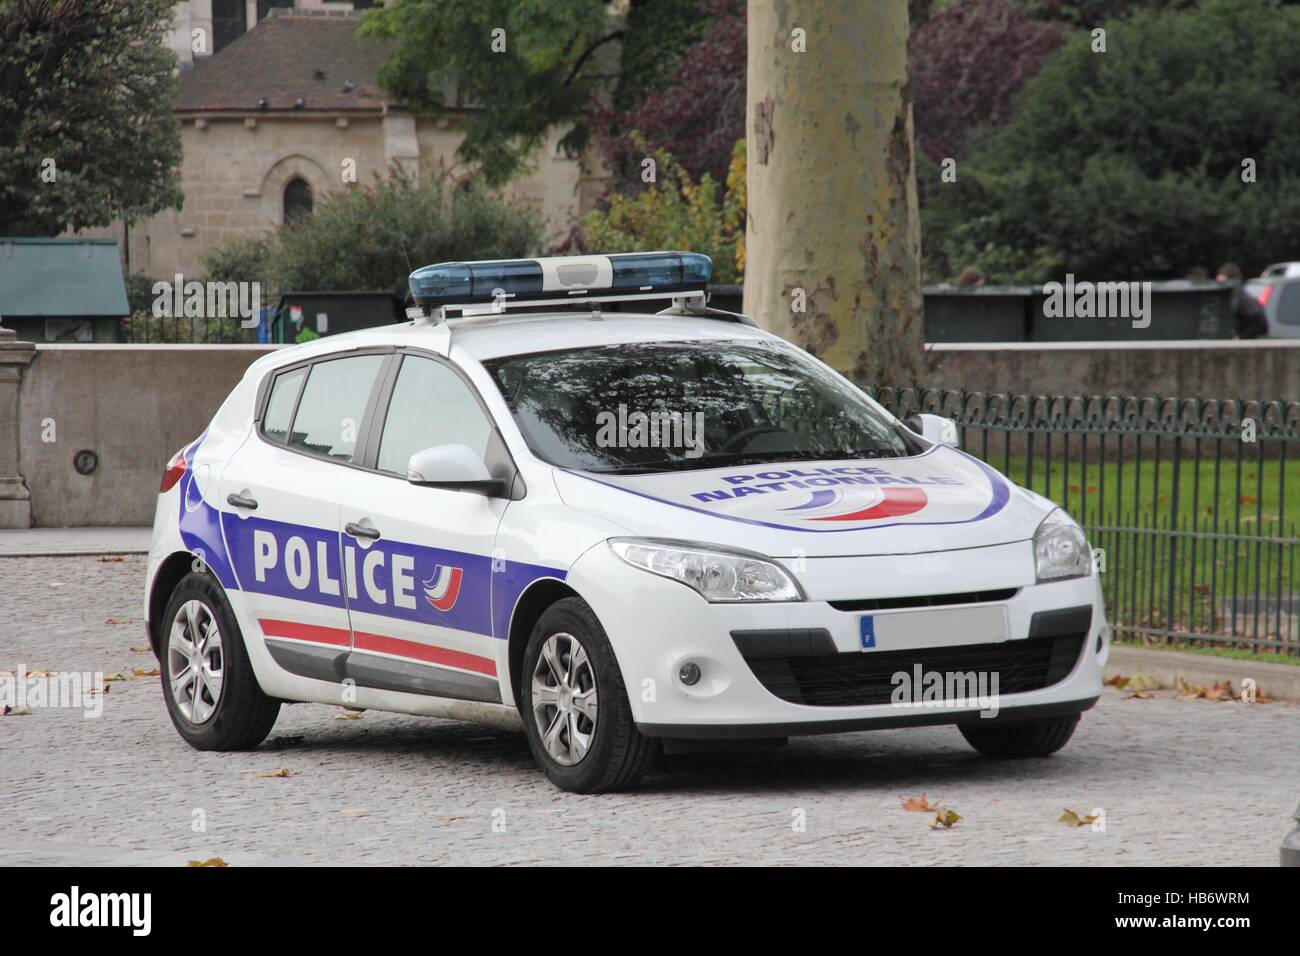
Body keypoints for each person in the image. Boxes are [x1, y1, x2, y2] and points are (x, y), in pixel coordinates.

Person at [1217, 263, 1269, 339]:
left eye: (1222, 283)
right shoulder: (1229, 297)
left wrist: (1240, 337)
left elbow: (1259, 323)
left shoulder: (1241, 298)